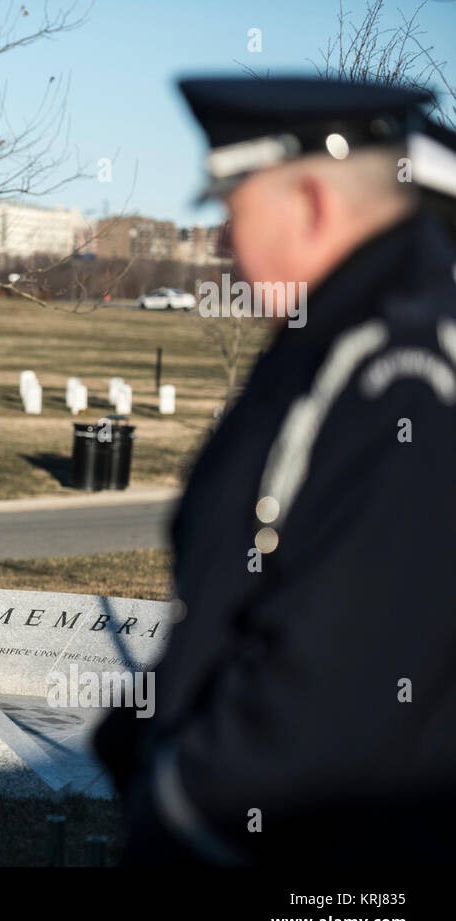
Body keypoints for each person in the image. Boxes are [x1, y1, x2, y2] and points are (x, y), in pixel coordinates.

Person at [94, 76, 456, 866]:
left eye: (232, 209)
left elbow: (332, 693)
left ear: (313, 204)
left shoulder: (393, 371)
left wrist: (176, 806)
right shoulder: (340, 338)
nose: (223, 242)